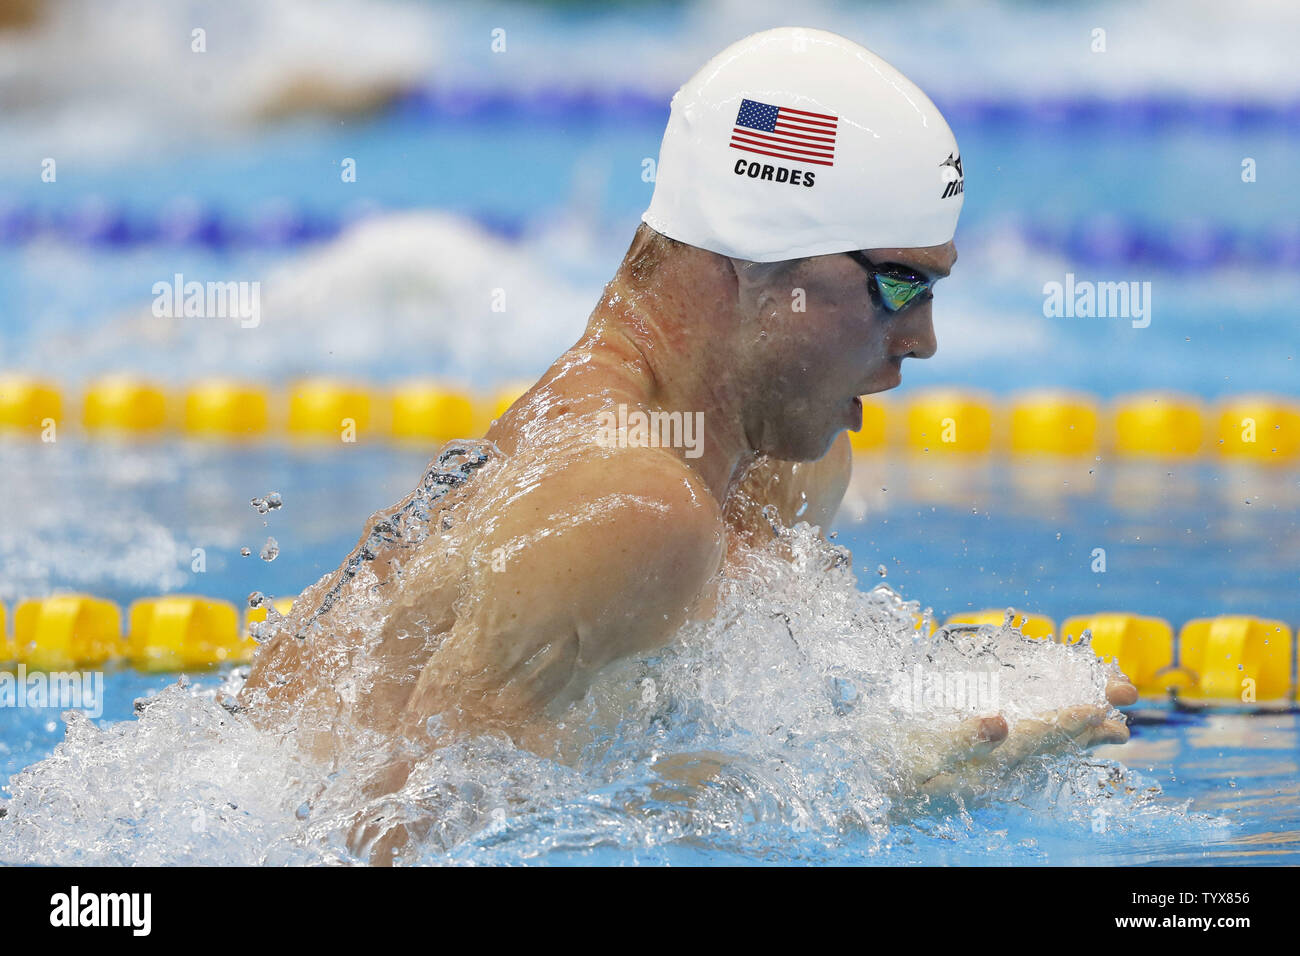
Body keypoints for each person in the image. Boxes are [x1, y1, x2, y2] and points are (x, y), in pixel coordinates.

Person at [239, 26, 1136, 857]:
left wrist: (934, 734)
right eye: (899, 284)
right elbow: (398, 840)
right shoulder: (630, 507)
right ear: (755, 261)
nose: (923, 338)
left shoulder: (780, 466)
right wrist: (876, 786)